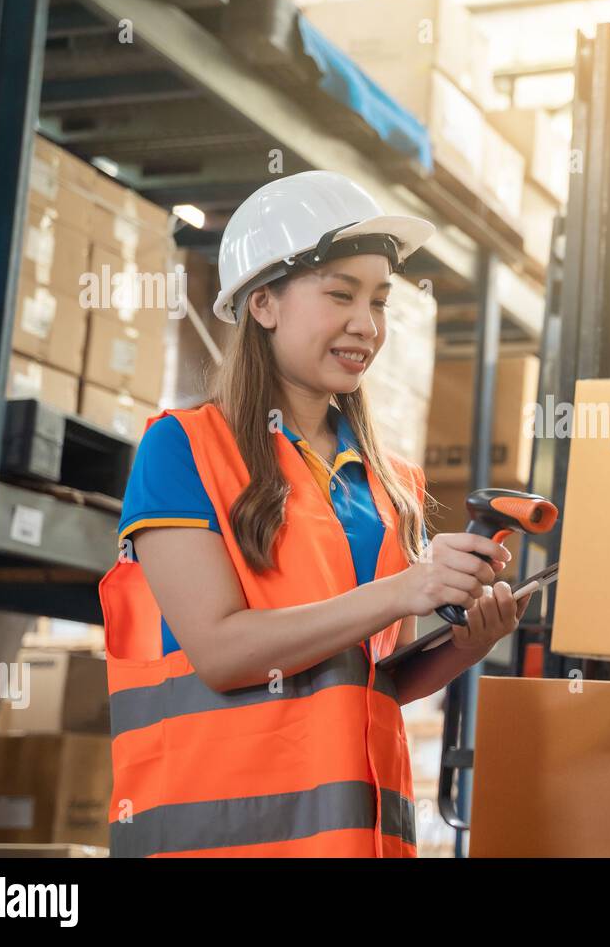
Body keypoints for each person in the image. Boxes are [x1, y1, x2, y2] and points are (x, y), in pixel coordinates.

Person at [100, 171, 529, 857]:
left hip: (356, 839)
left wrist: (470, 640)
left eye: (381, 301)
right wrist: (408, 587)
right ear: (263, 303)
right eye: (340, 295)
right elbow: (219, 652)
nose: (367, 324)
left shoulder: (394, 485)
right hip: (217, 842)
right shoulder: (183, 450)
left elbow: (375, 681)